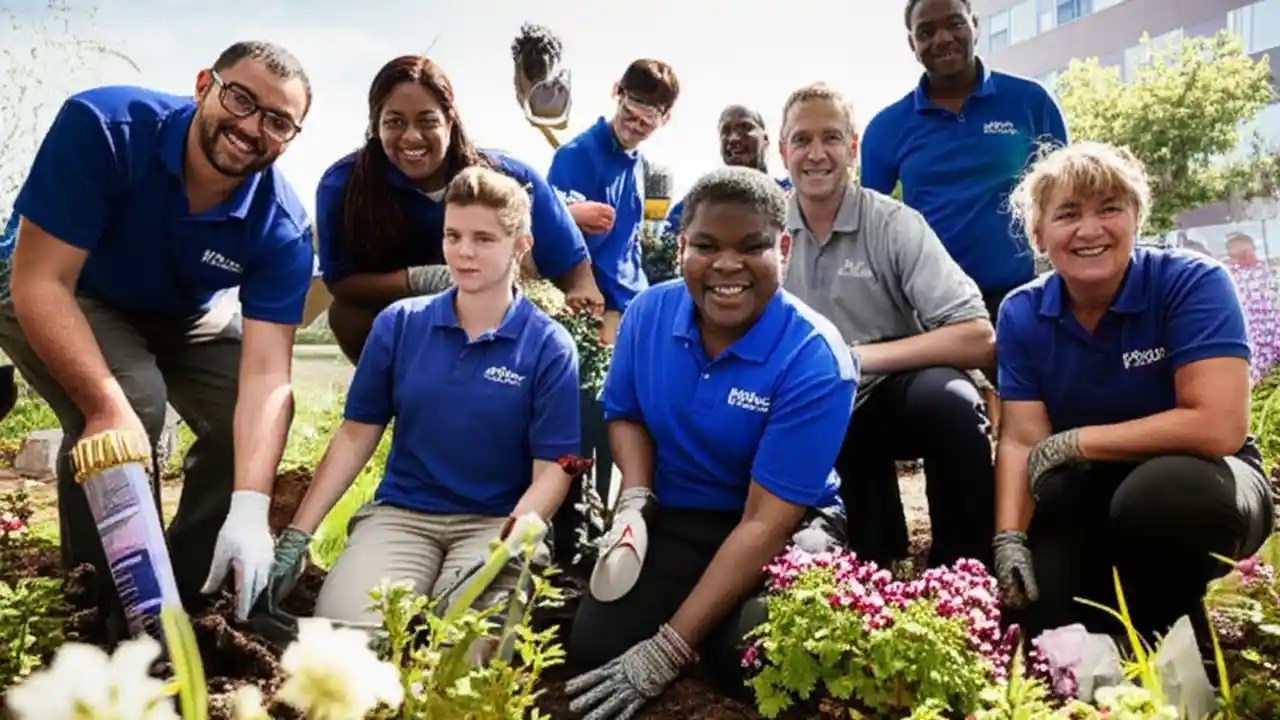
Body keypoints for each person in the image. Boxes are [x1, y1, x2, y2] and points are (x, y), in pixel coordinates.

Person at [0, 41, 315, 625]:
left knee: (239, 409)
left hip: (178, 308)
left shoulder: (284, 228)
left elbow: (269, 375)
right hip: (60, 284)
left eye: (277, 121)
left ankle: (190, 588)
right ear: (204, 85)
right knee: (130, 404)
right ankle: (101, 603)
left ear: (290, 138)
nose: (251, 127)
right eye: (240, 99)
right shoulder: (105, 127)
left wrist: (250, 508)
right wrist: (102, 408)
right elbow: (42, 281)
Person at [564, 167, 857, 717]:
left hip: (782, 523)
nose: (726, 265)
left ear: (784, 248)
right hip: (678, 512)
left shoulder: (816, 358)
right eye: (705, 245)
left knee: (758, 663)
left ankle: (712, 623)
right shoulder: (647, 314)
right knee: (595, 647)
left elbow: (764, 522)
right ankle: (706, 611)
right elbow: (625, 415)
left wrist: (667, 650)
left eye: (752, 247)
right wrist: (636, 497)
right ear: (680, 247)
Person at [262, 166, 582, 633]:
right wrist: (298, 534)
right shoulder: (400, 324)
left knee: (463, 657)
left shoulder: (548, 346)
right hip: (402, 518)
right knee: (348, 648)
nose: (463, 252)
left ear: (521, 245)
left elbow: (554, 467)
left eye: (483, 239)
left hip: (493, 524)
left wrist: (511, 544)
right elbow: (355, 435)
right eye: (453, 235)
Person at [992, 141, 1275, 644]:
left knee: (1161, 497)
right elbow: (1020, 440)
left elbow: (1217, 426)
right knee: (1040, 617)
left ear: (1137, 217)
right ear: (1038, 234)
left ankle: (1177, 635)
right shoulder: (1021, 312)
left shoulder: (1190, 282)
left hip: (1204, 479)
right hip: (1090, 490)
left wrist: (1077, 442)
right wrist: (1010, 538)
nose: (1090, 229)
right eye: (1067, 214)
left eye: (1109, 209)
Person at [778, 82, 997, 570]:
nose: (816, 153)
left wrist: (857, 359)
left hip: (888, 390)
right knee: (868, 558)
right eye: (802, 139)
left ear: (853, 147)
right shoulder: (765, 230)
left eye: (831, 138)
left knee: (953, 403)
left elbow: (978, 336)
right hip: (804, 403)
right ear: (782, 149)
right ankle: (867, 556)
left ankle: (965, 573)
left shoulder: (896, 224)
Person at [314, 55, 603, 364]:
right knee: (347, 316)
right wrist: (424, 280)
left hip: (495, 317)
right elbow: (342, 282)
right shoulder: (343, 186)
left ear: (450, 122)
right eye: (394, 121)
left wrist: (583, 290)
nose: (411, 136)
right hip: (403, 321)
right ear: (376, 125)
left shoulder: (511, 179)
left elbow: (572, 264)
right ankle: (398, 401)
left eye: (427, 120)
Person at [862, 0, 1069, 319]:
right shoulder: (885, 128)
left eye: (955, 23)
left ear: (975, 25)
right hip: (932, 307)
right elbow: (867, 224)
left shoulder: (1030, 101)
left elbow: (1069, 196)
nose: (942, 38)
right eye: (926, 32)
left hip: (1025, 298)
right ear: (912, 44)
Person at [547, 58, 680, 346]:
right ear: (616, 92)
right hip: (600, 311)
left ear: (665, 119)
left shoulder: (637, 163)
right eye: (630, 115)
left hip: (636, 303)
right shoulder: (577, 155)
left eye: (646, 123)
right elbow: (550, 238)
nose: (634, 128)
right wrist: (568, 215)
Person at [663, 105, 793, 235]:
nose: (733, 138)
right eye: (725, 131)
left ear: (766, 138)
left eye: (745, 128)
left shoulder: (793, 196)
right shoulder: (692, 207)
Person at [1223, 232, 1279, 384]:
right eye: (1233, 257)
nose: (1237, 261)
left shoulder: (1271, 279)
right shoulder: (1224, 281)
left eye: (1241, 255)